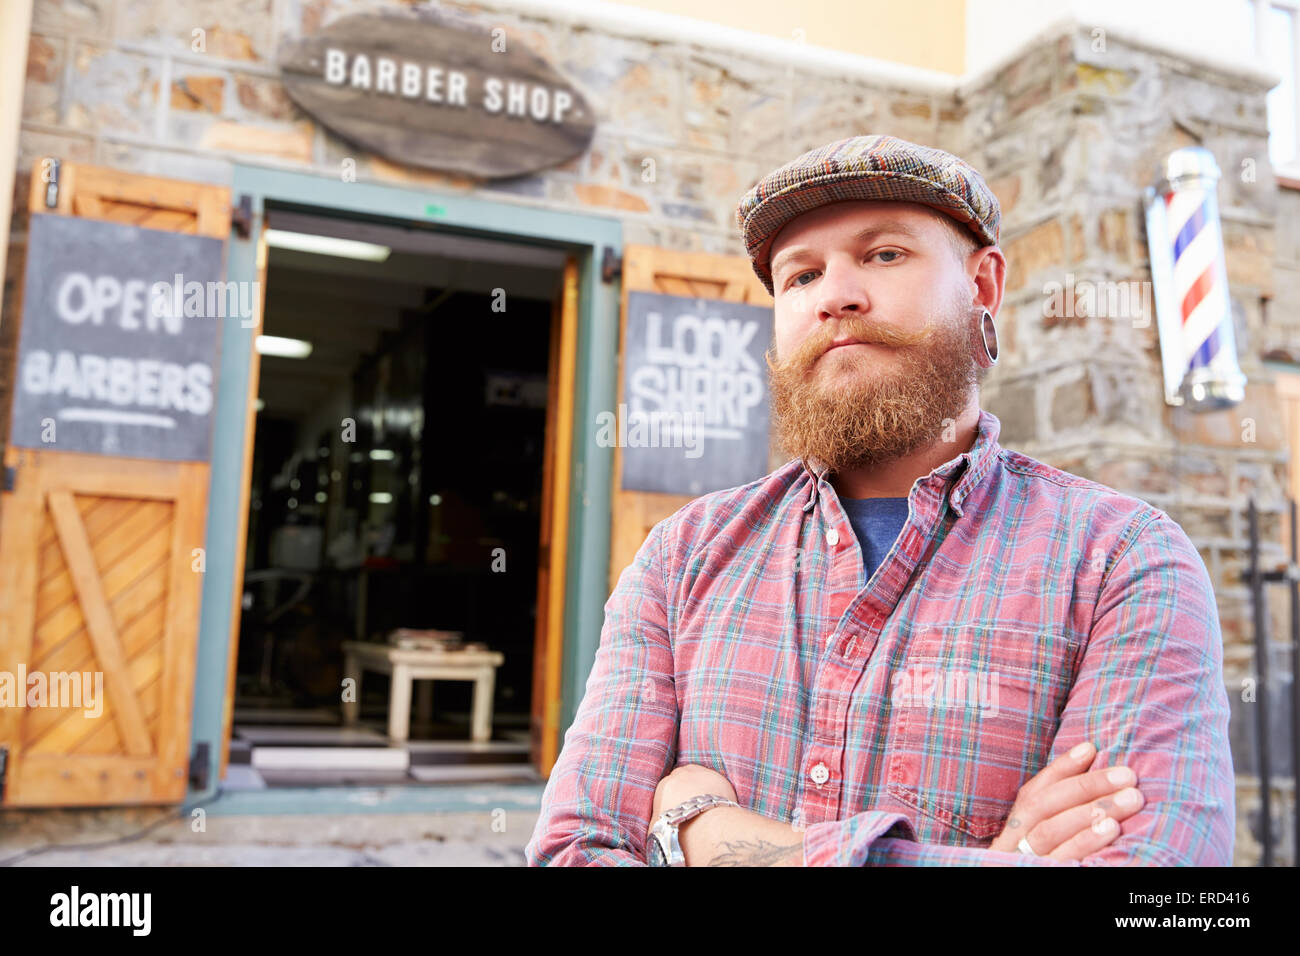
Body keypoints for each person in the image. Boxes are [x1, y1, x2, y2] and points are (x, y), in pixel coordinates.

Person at [524, 134, 1235, 866]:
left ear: (984, 286)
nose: (834, 296)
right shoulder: (683, 556)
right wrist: (1003, 856)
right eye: (799, 277)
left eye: (883, 254)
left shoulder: (1123, 560)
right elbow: (576, 849)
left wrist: (706, 835)